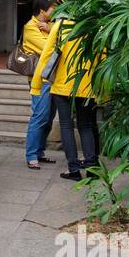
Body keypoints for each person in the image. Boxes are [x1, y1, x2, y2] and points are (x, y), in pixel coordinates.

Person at [30, 17, 100, 181]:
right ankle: (91, 169)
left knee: (66, 126)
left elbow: (47, 54)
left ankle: (74, 170)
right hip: (87, 85)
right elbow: (102, 57)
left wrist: (36, 85)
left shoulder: (60, 25)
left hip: (62, 84)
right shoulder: (96, 24)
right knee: (87, 125)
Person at [22, 0, 58, 170]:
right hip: (40, 79)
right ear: (43, 10)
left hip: (53, 78)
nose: (56, 10)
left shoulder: (51, 25)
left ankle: (39, 151)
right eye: (53, 7)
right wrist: (54, 32)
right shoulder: (30, 27)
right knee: (40, 115)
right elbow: (49, 49)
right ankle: (31, 155)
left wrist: (52, 29)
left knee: (49, 116)